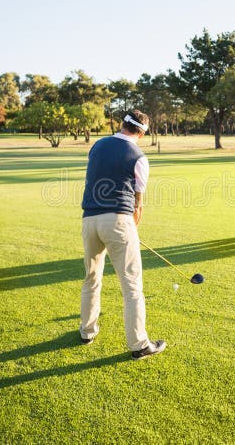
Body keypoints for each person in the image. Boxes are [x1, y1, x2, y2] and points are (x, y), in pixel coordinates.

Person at [79, 110, 166, 360]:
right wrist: (132, 224)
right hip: (118, 221)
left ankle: (87, 332)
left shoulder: (97, 145)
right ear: (142, 132)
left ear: (123, 124)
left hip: (89, 220)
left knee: (91, 278)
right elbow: (138, 203)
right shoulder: (139, 157)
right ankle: (139, 345)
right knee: (132, 287)